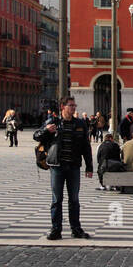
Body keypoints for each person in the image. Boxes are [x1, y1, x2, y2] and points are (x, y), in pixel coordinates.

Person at [33, 96, 93, 240]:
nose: (73, 108)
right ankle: (56, 229)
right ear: (62, 107)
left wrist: (89, 166)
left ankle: (76, 229)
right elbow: (36, 136)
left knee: (74, 200)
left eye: (74, 105)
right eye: (70, 105)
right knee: (56, 199)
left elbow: (86, 146)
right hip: (57, 166)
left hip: (73, 166)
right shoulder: (52, 122)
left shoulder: (80, 124)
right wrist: (47, 131)